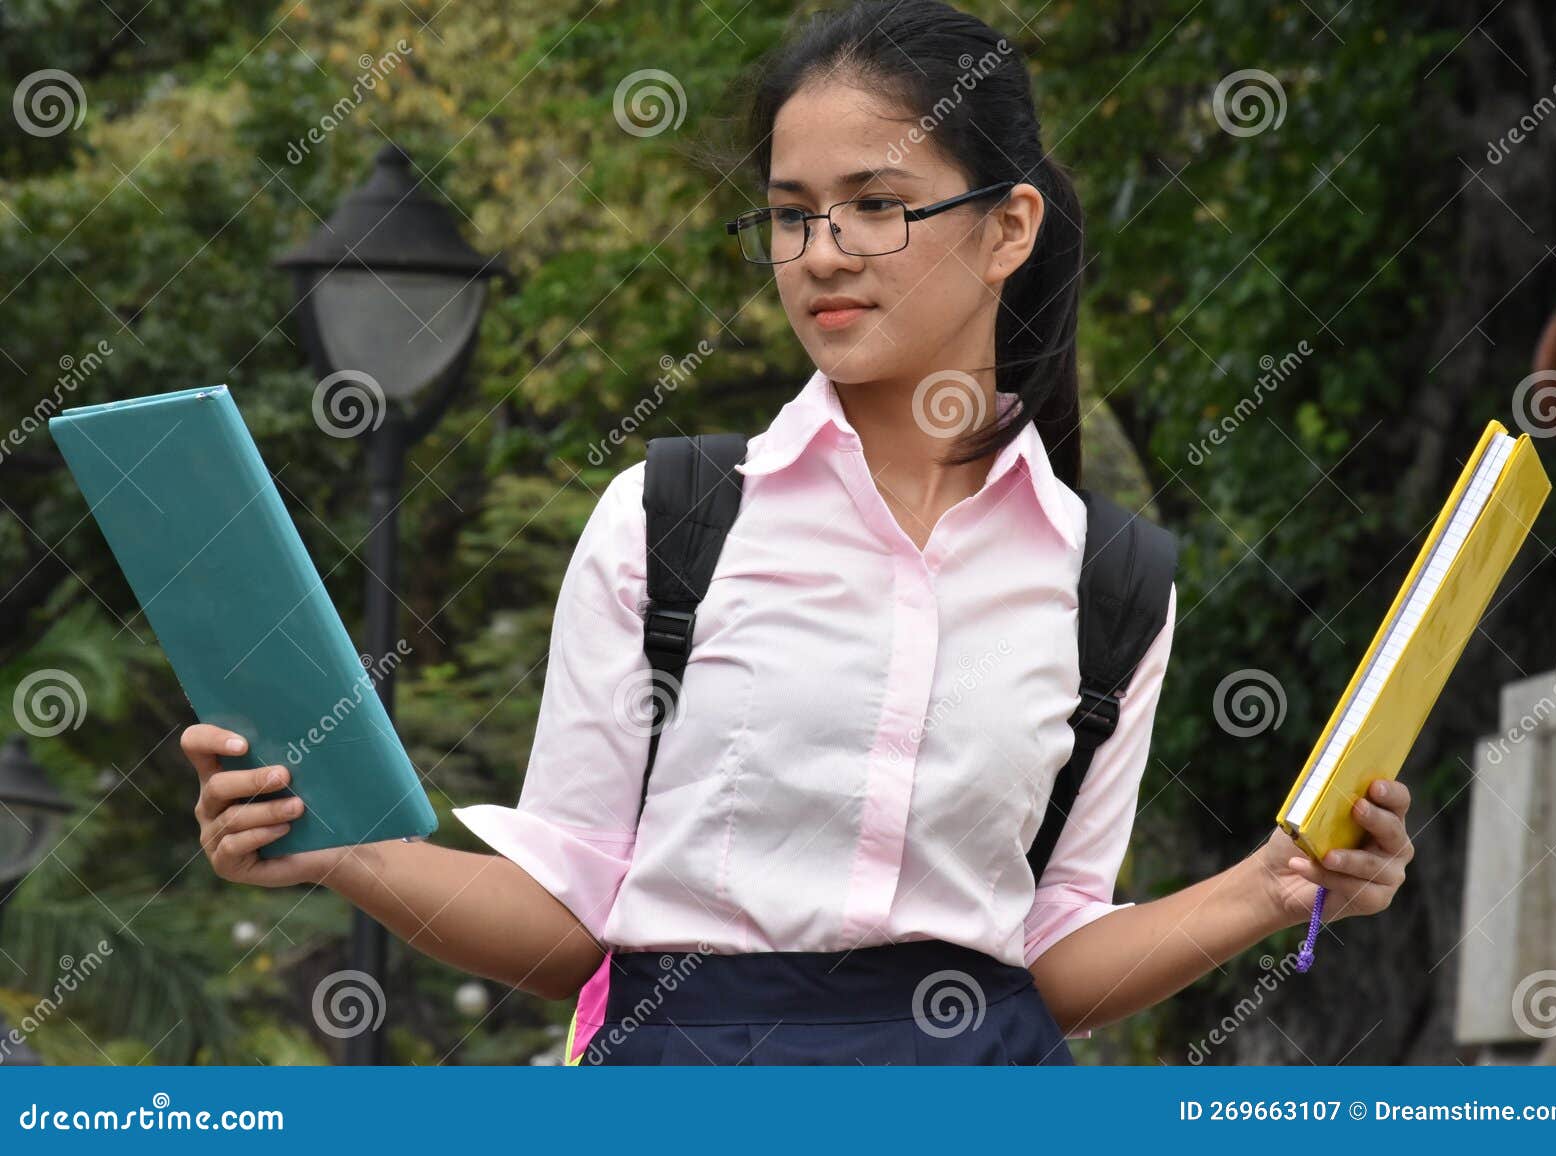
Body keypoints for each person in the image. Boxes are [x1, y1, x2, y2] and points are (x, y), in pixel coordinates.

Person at [183, 0, 1415, 1065]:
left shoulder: (1114, 582)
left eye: (877, 208)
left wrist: (1271, 887)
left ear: (1009, 228)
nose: (821, 255)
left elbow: (1046, 957)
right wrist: (343, 854)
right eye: (791, 214)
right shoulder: (671, 521)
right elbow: (569, 922)